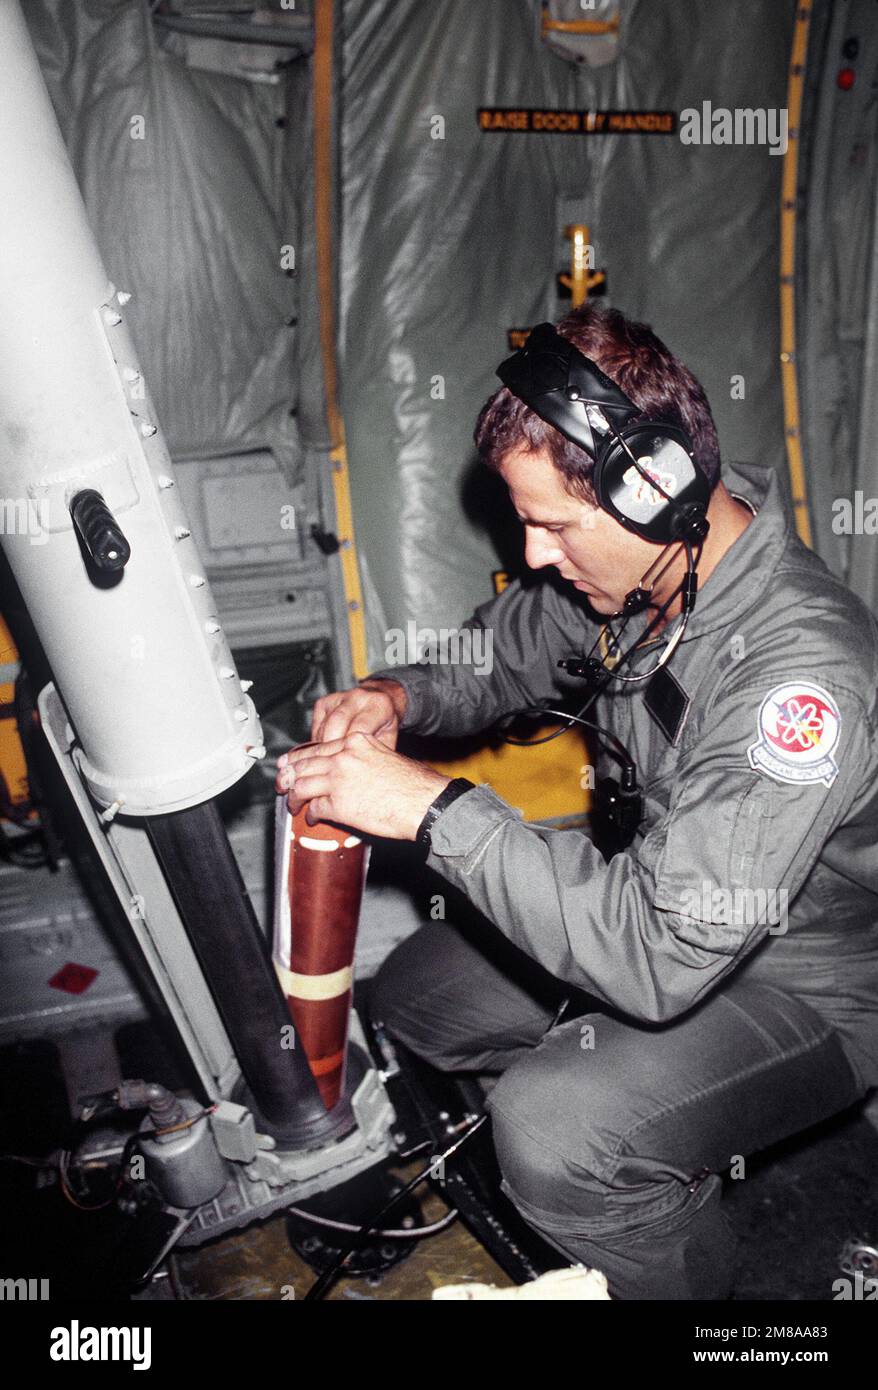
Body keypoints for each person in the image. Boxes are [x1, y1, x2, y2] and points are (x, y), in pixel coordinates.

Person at [276, 304, 878, 1300]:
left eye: (551, 524)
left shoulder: (798, 674)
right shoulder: (646, 571)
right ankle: (623, 1129)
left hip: (809, 983)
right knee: (416, 997)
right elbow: (510, 646)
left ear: (652, 493)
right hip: (659, 906)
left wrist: (433, 808)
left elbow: (658, 952)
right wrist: (398, 695)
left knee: (556, 1133)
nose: (535, 550)